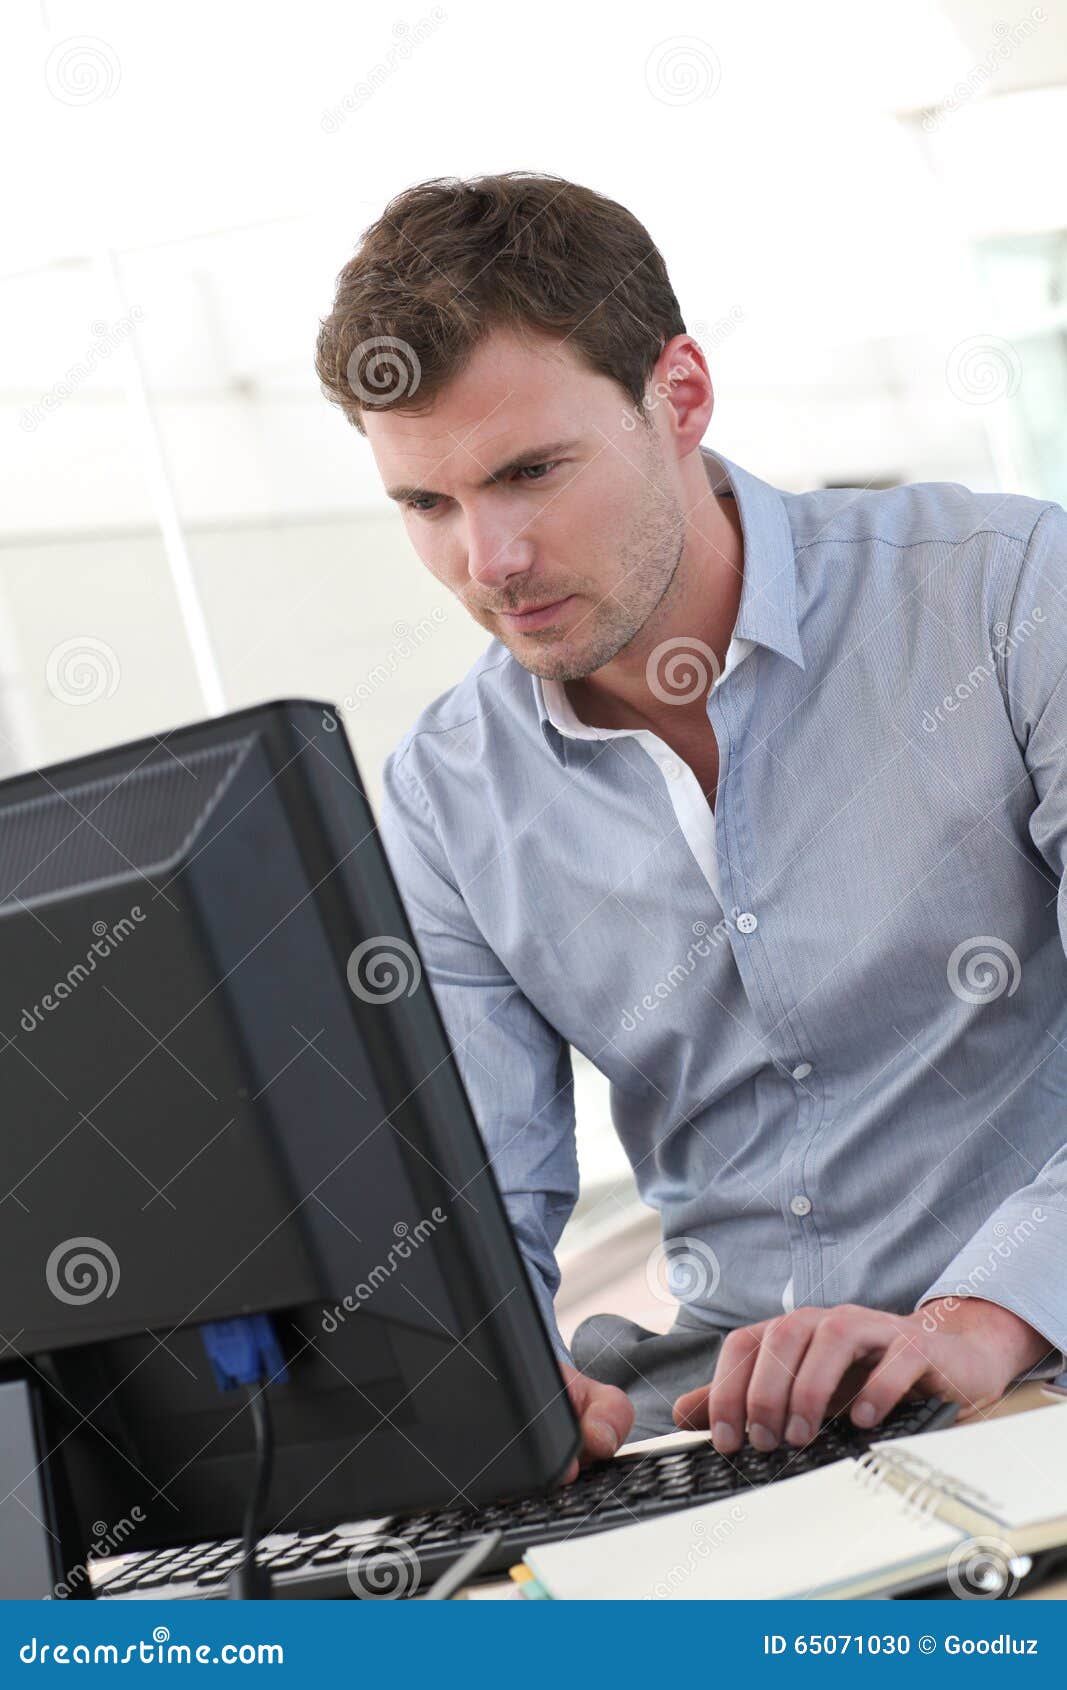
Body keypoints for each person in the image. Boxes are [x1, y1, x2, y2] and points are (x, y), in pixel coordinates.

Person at [315, 171, 1067, 1467]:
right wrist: (487, 1377)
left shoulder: (1005, 602)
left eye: (530, 473)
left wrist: (983, 1314)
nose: (487, 562)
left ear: (682, 395)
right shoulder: (447, 793)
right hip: (712, 1425)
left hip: (1032, 1378)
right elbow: (472, 1207)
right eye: (427, 505)